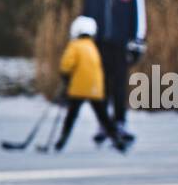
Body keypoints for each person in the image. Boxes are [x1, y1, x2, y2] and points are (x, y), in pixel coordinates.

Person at [81, 0, 145, 145]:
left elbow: (139, 13)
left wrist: (138, 41)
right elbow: (86, 10)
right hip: (96, 41)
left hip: (120, 41)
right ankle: (104, 124)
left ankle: (119, 122)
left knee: (118, 84)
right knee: (99, 85)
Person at [54, 16, 127, 153]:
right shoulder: (93, 47)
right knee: (103, 117)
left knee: (71, 116)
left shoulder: (75, 46)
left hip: (78, 89)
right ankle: (117, 140)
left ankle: (62, 140)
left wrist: (65, 76)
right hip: (95, 89)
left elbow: (66, 64)